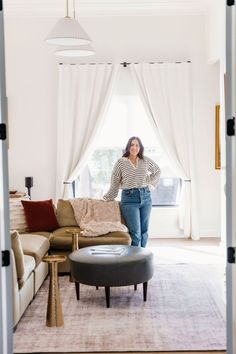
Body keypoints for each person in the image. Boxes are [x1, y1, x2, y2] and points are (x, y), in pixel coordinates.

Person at [103, 136, 161, 247]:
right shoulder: (121, 162)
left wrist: (150, 183)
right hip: (129, 199)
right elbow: (115, 180)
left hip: (146, 197)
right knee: (136, 233)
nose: (134, 147)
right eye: (132, 145)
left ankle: (142, 257)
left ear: (140, 147)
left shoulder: (145, 160)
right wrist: (109, 196)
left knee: (144, 232)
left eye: (137, 145)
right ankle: (135, 260)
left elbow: (157, 171)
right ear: (128, 147)